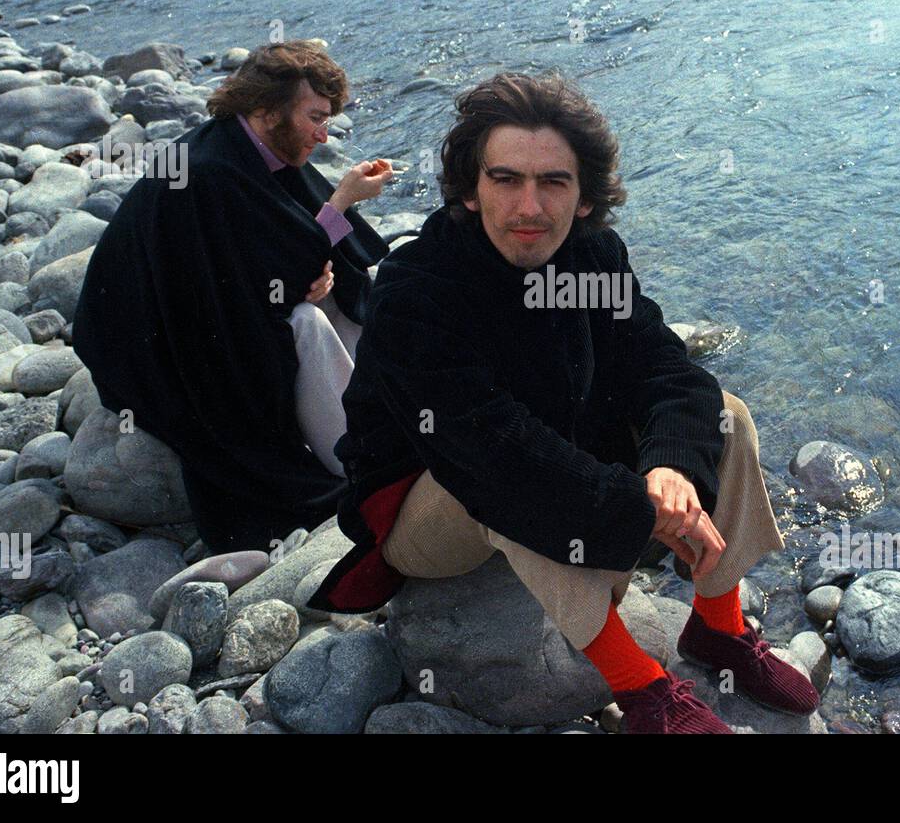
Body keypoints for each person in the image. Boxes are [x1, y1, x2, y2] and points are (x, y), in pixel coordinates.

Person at [309, 71, 818, 733]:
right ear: (469, 188)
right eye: (505, 179)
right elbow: (493, 455)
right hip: (423, 514)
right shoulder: (420, 292)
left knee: (724, 414)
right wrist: (639, 509)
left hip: (541, 448)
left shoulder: (591, 259)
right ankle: (641, 689)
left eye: (554, 181)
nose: (529, 207)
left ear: (584, 196)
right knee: (515, 478)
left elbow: (664, 365)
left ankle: (719, 627)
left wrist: (671, 470)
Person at [72, 40, 394, 553]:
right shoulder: (209, 173)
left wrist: (313, 271)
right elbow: (227, 301)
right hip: (144, 353)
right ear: (267, 111)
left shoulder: (256, 147)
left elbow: (282, 250)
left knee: (348, 296)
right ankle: (361, 459)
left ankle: (391, 414)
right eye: (314, 117)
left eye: (327, 118)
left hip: (205, 312)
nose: (323, 133)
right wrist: (340, 206)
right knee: (307, 321)